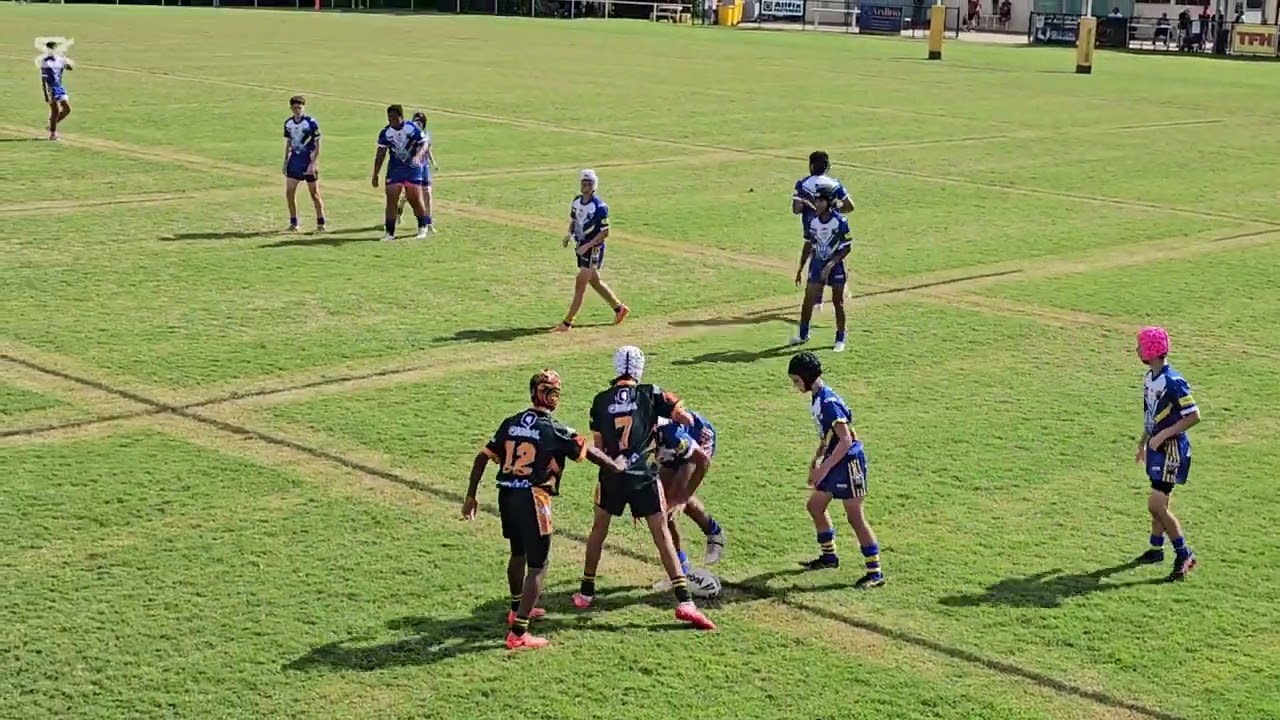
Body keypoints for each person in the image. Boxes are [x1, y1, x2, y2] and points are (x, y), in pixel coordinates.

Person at [462, 369, 628, 650]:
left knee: (518, 552)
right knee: (539, 564)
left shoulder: (511, 422)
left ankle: (516, 608)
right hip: (534, 498)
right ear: (547, 395)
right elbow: (588, 451)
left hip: (507, 495)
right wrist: (616, 466)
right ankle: (519, 631)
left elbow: (482, 458)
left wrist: (471, 496)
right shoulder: (552, 428)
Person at [571, 346, 716, 631]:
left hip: (611, 473)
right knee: (661, 535)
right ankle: (685, 601)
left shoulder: (600, 400)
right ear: (639, 369)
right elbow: (685, 419)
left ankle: (586, 592)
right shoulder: (651, 393)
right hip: (643, 474)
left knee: (598, 530)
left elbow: (599, 447)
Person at [787, 351, 885, 589]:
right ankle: (829, 557)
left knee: (854, 516)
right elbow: (827, 436)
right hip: (834, 459)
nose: (795, 386)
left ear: (808, 377)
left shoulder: (829, 404)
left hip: (849, 462)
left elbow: (846, 440)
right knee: (815, 506)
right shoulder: (817, 397)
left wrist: (823, 469)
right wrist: (816, 460)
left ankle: (875, 572)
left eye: (797, 380)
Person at [1134, 327, 1201, 582]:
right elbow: (1151, 417)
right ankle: (1155, 549)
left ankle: (1185, 553)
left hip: (1171, 450)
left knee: (1156, 504)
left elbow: (1194, 415)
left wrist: (1163, 435)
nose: (1137, 350)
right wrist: (1143, 442)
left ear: (1151, 350)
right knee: (1159, 506)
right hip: (1155, 448)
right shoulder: (1149, 379)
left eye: (1140, 345)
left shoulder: (1173, 381)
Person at [552, 170, 629, 332]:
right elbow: (574, 220)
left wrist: (587, 246)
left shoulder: (600, 207)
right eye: (584, 183)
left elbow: (605, 232)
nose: (586, 186)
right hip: (581, 246)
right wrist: (569, 235)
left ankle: (567, 323)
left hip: (592, 248)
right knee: (594, 281)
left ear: (594, 186)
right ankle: (619, 308)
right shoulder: (576, 201)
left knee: (580, 284)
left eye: (589, 184)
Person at [792, 182, 853, 352]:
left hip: (836, 265)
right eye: (816, 201)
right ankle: (803, 334)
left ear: (828, 203)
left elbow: (847, 247)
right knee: (808, 300)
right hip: (817, 264)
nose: (817, 204)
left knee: (837, 302)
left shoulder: (840, 222)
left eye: (820, 201)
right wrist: (800, 268)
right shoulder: (813, 223)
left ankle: (840, 337)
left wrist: (831, 265)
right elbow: (809, 245)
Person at [793, 152, 854, 315]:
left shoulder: (803, 184)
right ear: (827, 166)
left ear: (811, 166)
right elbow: (849, 206)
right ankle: (840, 287)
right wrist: (833, 210)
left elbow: (796, 209)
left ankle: (817, 300)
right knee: (837, 254)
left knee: (816, 256)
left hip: (813, 227)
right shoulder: (835, 184)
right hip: (834, 227)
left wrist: (809, 206)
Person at [371, 104, 431, 241]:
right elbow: (380, 154)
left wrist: (418, 156)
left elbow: (424, 143)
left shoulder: (411, 128)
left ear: (401, 116)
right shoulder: (386, 133)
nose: (391, 120)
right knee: (391, 199)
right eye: (389, 117)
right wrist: (375, 174)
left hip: (412, 169)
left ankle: (423, 226)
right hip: (395, 170)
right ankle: (389, 232)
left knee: (414, 198)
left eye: (394, 117)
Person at [282, 96, 327, 233]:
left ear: (304, 108)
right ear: (291, 108)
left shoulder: (310, 123)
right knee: (290, 193)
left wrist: (313, 163)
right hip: (294, 162)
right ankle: (294, 222)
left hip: (308, 161)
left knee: (314, 194)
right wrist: (285, 161)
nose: (297, 110)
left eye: (299, 108)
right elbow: (289, 143)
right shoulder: (288, 123)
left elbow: (318, 144)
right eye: (295, 108)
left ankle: (321, 222)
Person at [397, 111, 437, 233]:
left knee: (427, 193)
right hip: (413, 169)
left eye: (420, 122)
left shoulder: (426, 134)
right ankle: (399, 210)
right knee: (409, 196)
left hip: (424, 167)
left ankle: (429, 222)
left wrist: (433, 162)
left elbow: (428, 149)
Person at [39, 41, 73, 141]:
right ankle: (53, 134)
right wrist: (45, 93)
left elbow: (70, 68)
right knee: (56, 110)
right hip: (51, 87)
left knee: (67, 109)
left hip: (59, 87)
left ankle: (51, 125)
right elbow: (44, 79)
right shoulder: (45, 61)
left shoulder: (60, 59)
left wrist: (65, 61)